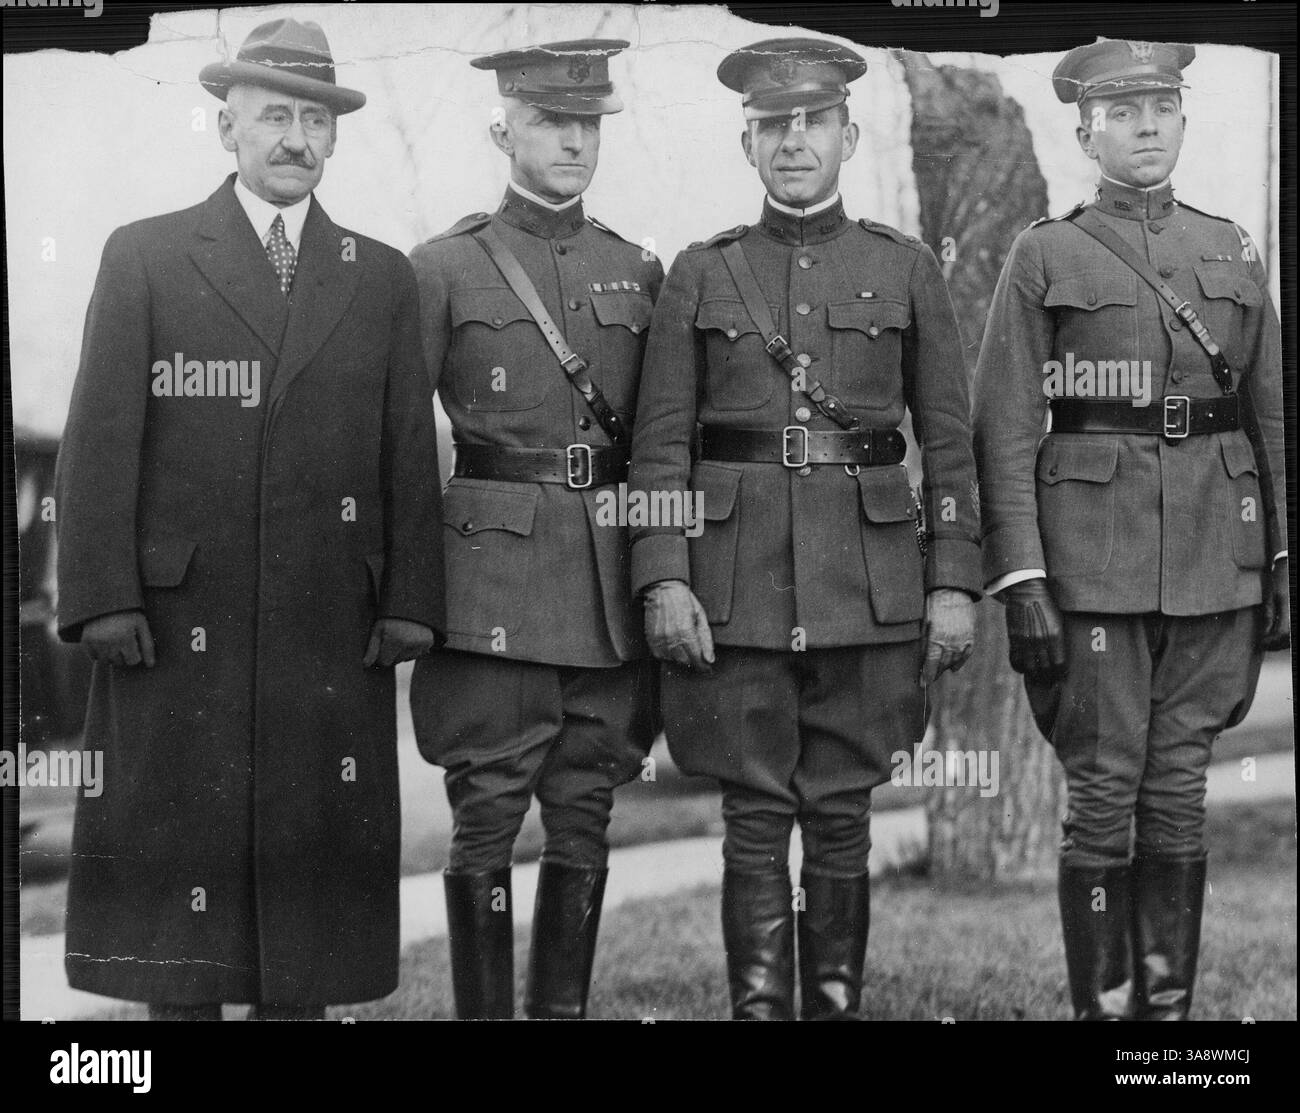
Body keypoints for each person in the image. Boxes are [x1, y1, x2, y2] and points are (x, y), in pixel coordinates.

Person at [55, 17, 444, 1020]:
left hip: (325, 632)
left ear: (334, 138)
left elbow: (407, 451)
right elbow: (97, 440)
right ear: (226, 126)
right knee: (178, 913)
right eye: (273, 115)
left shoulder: (381, 276)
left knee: (305, 926)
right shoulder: (144, 256)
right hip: (178, 632)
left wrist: (409, 599)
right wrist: (103, 596)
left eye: (314, 120)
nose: (294, 139)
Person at [628, 38, 981, 1020]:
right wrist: (663, 577)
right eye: (772, 126)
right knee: (752, 820)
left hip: (866, 588)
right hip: (731, 590)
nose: (793, 142)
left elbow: (949, 445)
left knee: (840, 819)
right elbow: (658, 451)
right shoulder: (701, 275)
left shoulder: (905, 269)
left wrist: (951, 580)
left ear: (846, 133)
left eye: (811, 122)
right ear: (747, 142)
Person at [973, 38, 1289, 1020]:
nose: (1144, 125)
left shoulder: (1230, 247)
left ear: (1182, 120)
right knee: (1104, 792)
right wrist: (1021, 578)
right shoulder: (1046, 253)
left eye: (1159, 106)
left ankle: (1163, 1024)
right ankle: (1101, 1018)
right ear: (1086, 129)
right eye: (1122, 111)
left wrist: (1280, 555)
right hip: (1087, 568)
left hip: (1216, 558)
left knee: (1180, 788)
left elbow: (1272, 414)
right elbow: (1005, 426)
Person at [407, 39, 662, 1019]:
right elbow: (395, 444)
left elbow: (664, 438)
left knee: (586, 817)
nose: (571, 141)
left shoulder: (639, 269)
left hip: (605, 592)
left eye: (587, 123)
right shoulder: (443, 267)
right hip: (489, 592)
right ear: (501, 128)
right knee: (484, 823)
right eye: (551, 121)